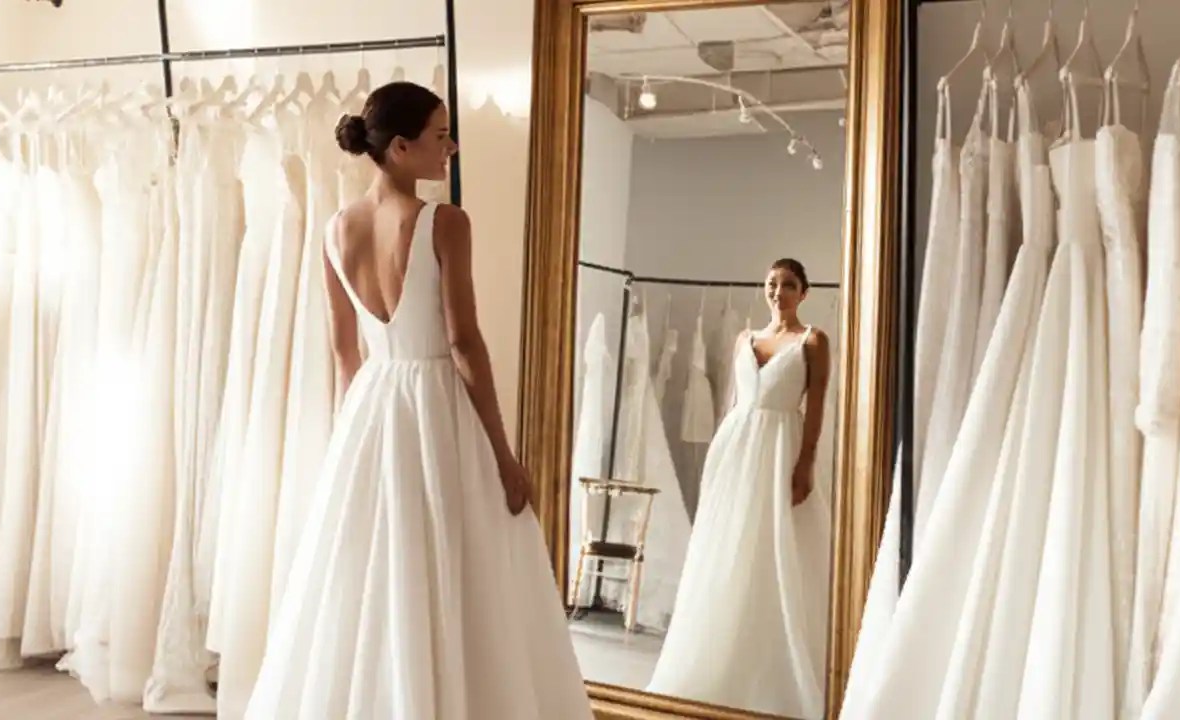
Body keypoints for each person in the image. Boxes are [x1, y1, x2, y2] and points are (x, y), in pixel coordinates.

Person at [244, 82, 593, 719]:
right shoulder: (443, 221)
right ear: (401, 147)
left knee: (374, 573)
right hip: (436, 406)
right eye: (440, 135)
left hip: (374, 407)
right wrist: (503, 453)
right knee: (456, 571)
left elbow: (346, 354)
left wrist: (356, 441)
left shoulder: (335, 228)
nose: (451, 146)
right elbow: (463, 343)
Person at [646, 259, 832, 719]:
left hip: (780, 449)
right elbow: (733, 401)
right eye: (772, 283)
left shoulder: (813, 341)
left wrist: (805, 462)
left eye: (788, 285)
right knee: (729, 548)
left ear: (803, 293)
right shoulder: (743, 339)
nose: (778, 291)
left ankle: (777, 669)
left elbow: (818, 406)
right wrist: (719, 459)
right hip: (738, 447)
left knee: (776, 549)